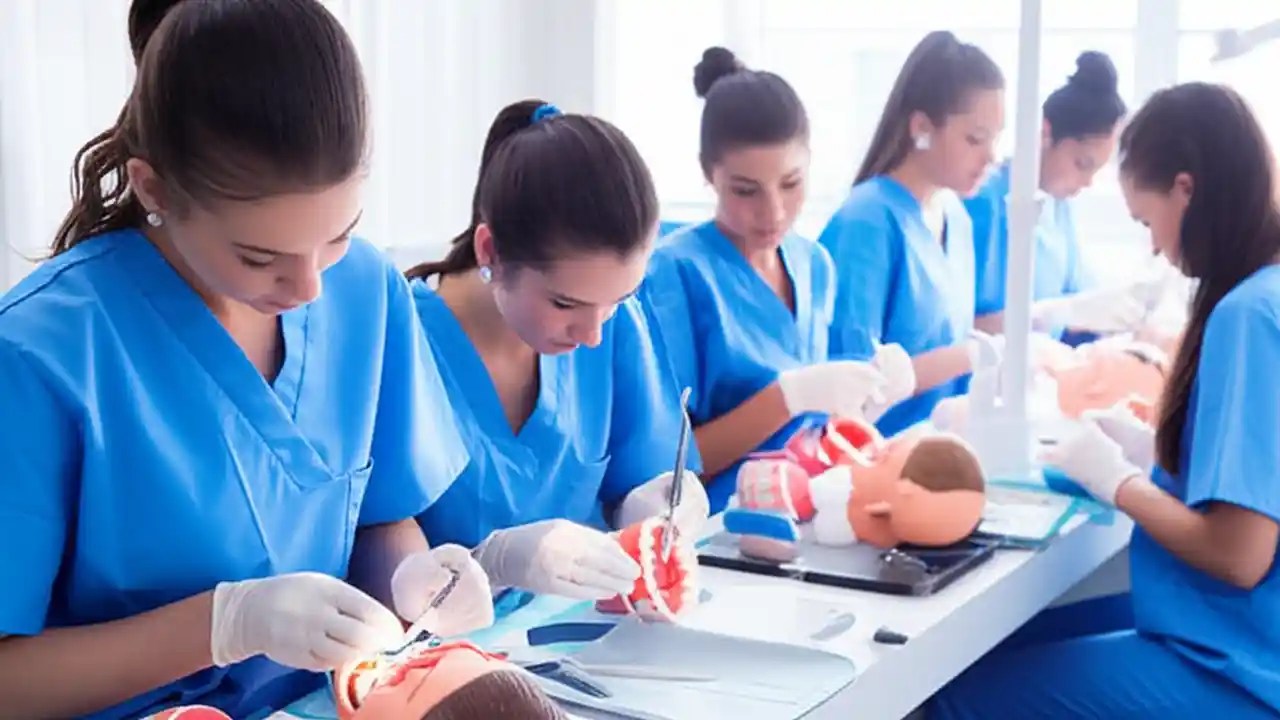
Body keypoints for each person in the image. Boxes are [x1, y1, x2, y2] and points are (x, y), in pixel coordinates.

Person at [0, 2, 493, 718]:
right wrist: (222, 625)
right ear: (154, 190)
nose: (309, 287)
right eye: (259, 257)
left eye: (338, 236)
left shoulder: (366, 293)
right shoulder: (42, 351)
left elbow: (379, 517)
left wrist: (415, 578)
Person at [930, 82, 1280, 718]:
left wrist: (1118, 481)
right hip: (1247, 644)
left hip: (1244, 672)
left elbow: (1240, 556)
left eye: (1147, 222)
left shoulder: (1249, 313)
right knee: (1005, 645)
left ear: (1186, 189)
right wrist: (1162, 456)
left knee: (954, 699)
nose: (1154, 248)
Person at [406, 100, 710, 602]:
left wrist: (657, 513)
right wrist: (494, 562)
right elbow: (375, 556)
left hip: (580, 639)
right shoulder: (405, 343)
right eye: (564, 302)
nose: (593, 335)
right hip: (443, 658)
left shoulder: (615, 322)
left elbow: (641, 478)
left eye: (617, 300)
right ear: (490, 253)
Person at [643, 47, 906, 513]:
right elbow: (667, 471)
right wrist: (787, 397)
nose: (774, 213)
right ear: (709, 174)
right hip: (717, 528)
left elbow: (816, 432)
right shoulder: (674, 274)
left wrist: (868, 401)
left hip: (809, 508)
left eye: (791, 183)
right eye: (746, 191)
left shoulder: (815, 265)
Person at [818, 31, 1005, 436]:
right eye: (975, 139)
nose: (990, 157)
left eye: (995, 139)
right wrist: (972, 355)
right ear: (921, 127)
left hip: (940, 447)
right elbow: (855, 385)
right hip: (873, 458)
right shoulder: (866, 221)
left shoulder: (955, 217)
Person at [966, 50, 1147, 342]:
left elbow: (1081, 300)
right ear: (1046, 132)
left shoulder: (1059, 209)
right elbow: (958, 330)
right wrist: (1051, 316)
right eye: (1082, 164)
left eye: (1096, 171)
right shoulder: (982, 204)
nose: (1087, 182)